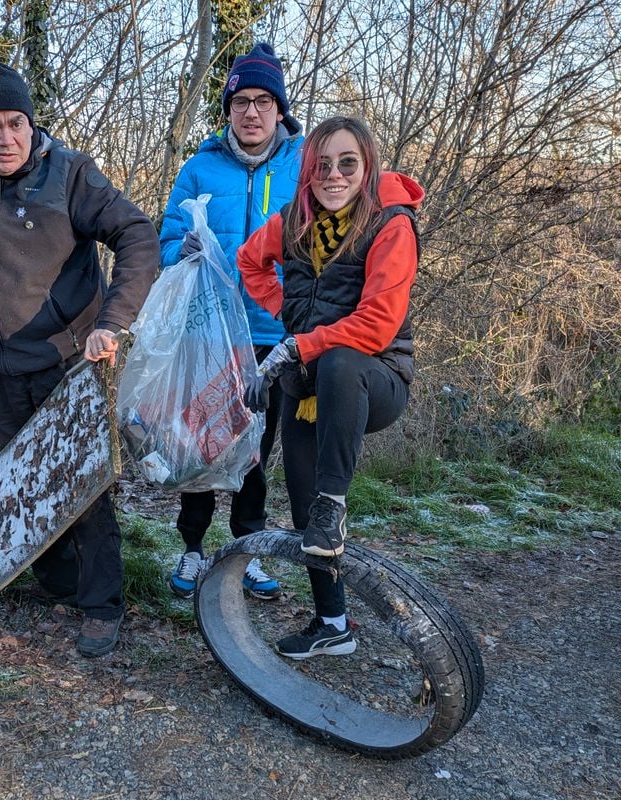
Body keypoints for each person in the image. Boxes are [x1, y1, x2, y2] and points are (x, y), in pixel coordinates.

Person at [0, 60, 159, 658]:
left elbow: (137, 234)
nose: (6, 138)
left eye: (16, 123)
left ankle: (102, 604)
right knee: (22, 481)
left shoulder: (71, 175)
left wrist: (111, 325)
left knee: (82, 483)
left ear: (32, 124)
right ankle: (57, 581)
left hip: (68, 363)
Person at [238, 116, 424, 658]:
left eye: (347, 163)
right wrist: (285, 310)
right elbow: (250, 262)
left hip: (375, 378)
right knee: (303, 507)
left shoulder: (391, 225)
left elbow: (378, 323)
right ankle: (332, 624)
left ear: (366, 168)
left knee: (342, 360)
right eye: (322, 165)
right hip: (307, 378)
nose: (334, 176)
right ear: (308, 171)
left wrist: (297, 344)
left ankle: (333, 501)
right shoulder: (293, 220)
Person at [157, 43, 302, 601]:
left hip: (272, 336)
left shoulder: (303, 166)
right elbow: (166, 239)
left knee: (255, 453)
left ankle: (250, 551)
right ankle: (192, 549)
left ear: (279, 109)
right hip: (208, 334)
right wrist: (185, 249)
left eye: (263, 101)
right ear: (227, 109)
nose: (252, 112)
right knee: (202, 445)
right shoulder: (199, 168)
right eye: (241, 101)